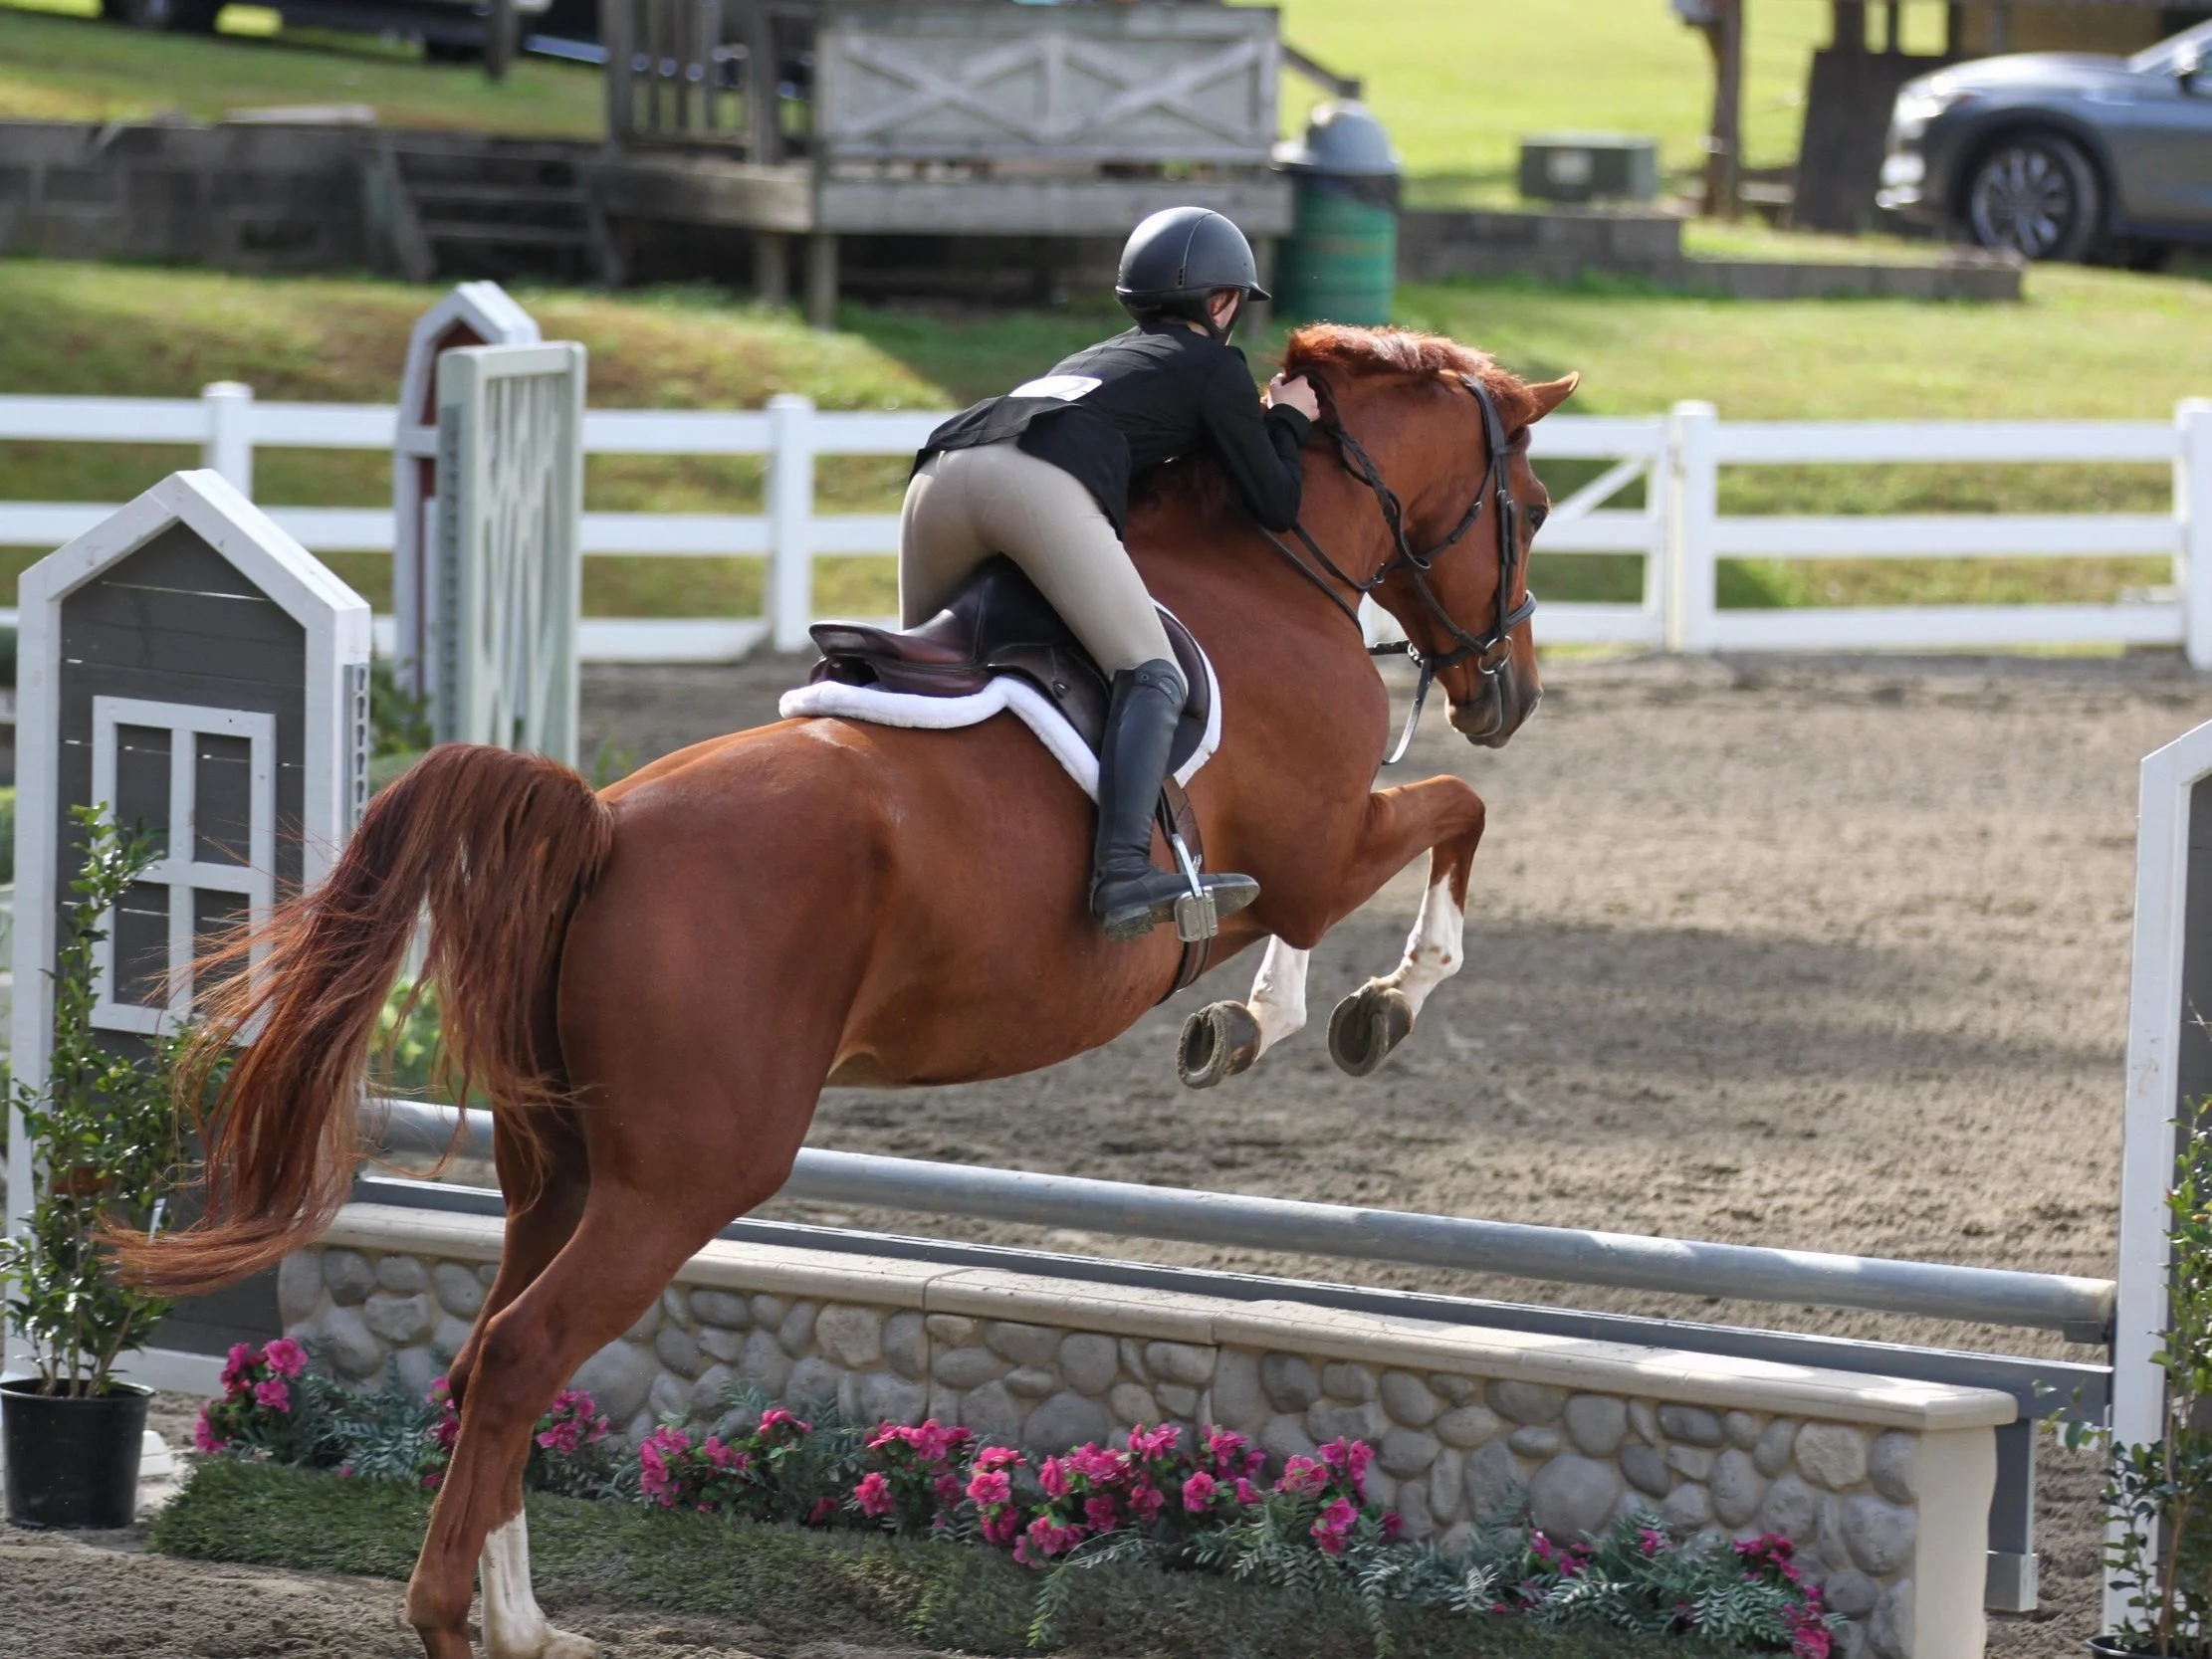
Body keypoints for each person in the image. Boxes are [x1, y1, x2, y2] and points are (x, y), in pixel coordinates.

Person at [901, 206, 1323, 942]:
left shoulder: (1101, 359)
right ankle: (1124, 872)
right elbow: (1277, 502)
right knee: (1154, 671)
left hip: (939, 477)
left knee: (929, 682)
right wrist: (1287, 418)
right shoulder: (1214, 365)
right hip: (1026, 484)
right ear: (1222, 302)